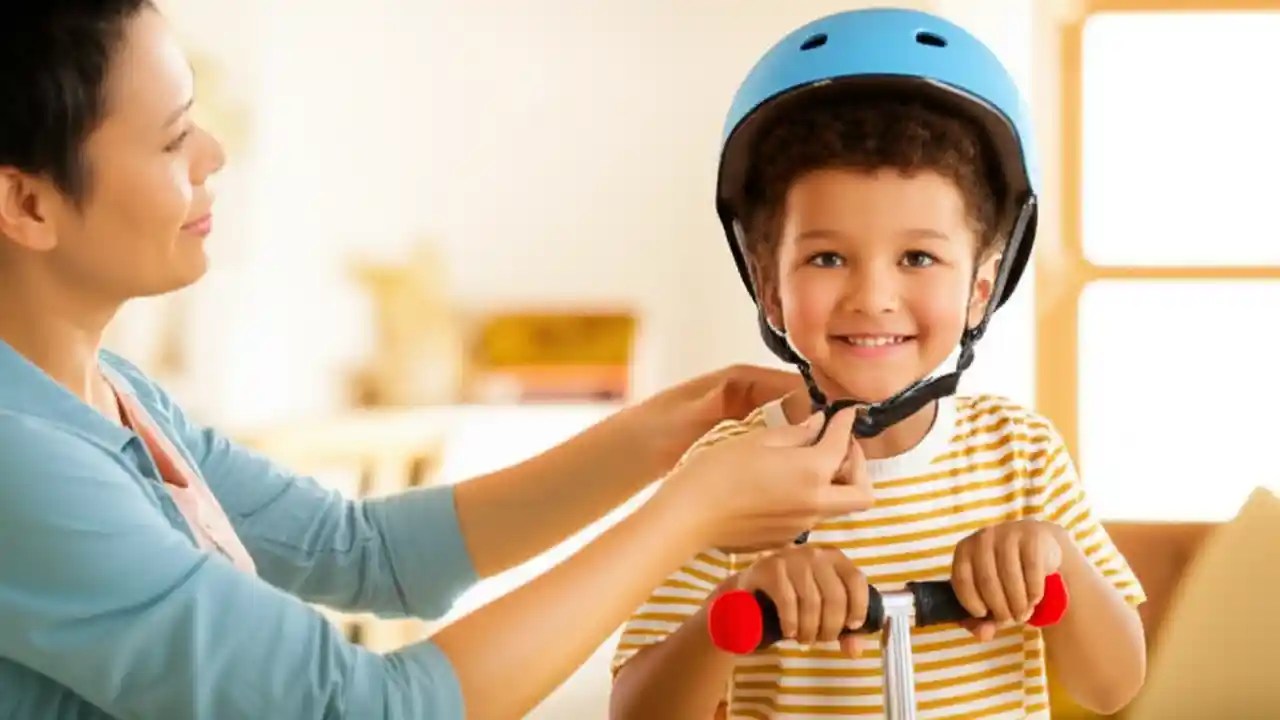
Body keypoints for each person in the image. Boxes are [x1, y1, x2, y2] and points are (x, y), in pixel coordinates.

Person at [0, 3, 879, 719]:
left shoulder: (112, 395)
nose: (214, 154)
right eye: (171, 138)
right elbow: (370, 709)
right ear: (25, 200)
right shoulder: (21, 465)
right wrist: (692, 509)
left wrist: (670, 429)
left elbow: (365, 554)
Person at [610, 8, 1147, 719]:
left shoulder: (1021, 456)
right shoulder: (730, 477)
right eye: (827, 258)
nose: (873, 298)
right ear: (770, 286)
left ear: (979, 289)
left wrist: (1055, 559)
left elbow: (1113, 685)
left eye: (918, 257)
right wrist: (735, 609)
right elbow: (635, 711)